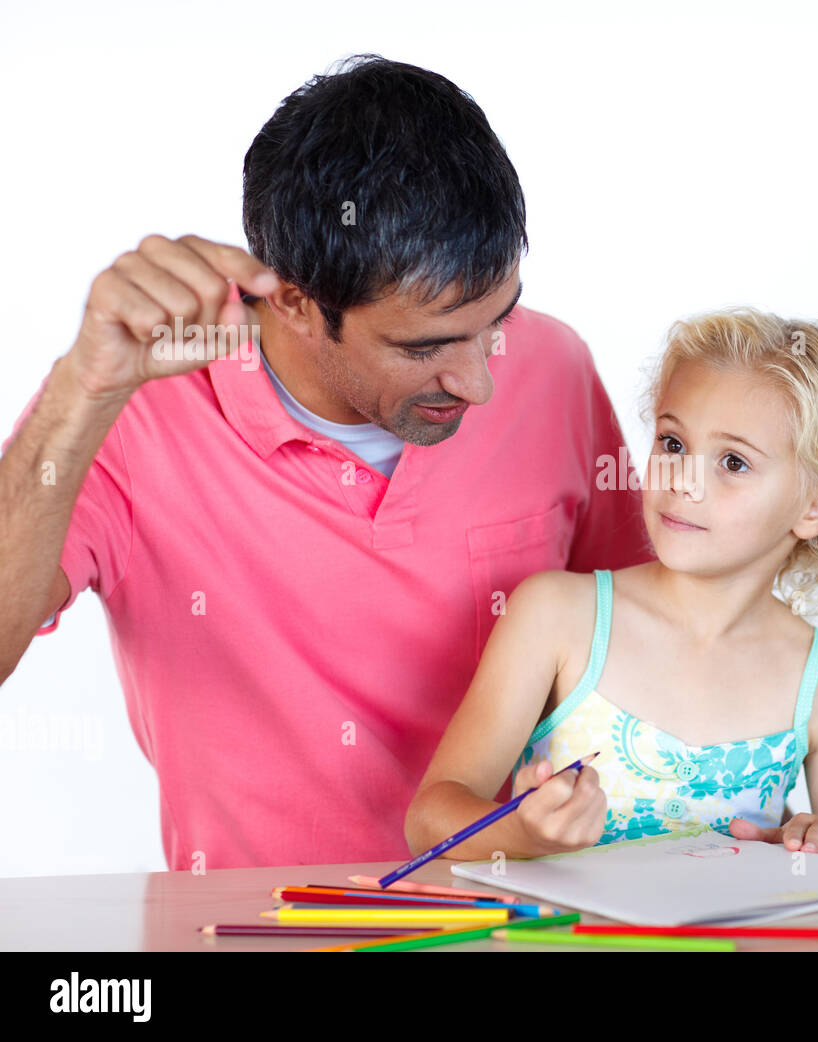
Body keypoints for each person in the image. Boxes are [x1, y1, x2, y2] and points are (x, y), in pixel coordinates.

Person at [0, 55, 654, 870]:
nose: (481, 381)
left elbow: (654, 646)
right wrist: (82, 390)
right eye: (425, 347)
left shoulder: (552, 365)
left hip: (530, 919)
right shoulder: (128, 410)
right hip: (263, 929)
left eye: (498, 321)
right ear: (296, 302)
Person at [406, 306, 818, 859]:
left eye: (733, 462)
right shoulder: (557, 617)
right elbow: (431, 816)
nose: (683, 480)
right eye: (673, 444)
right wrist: (523, 833)